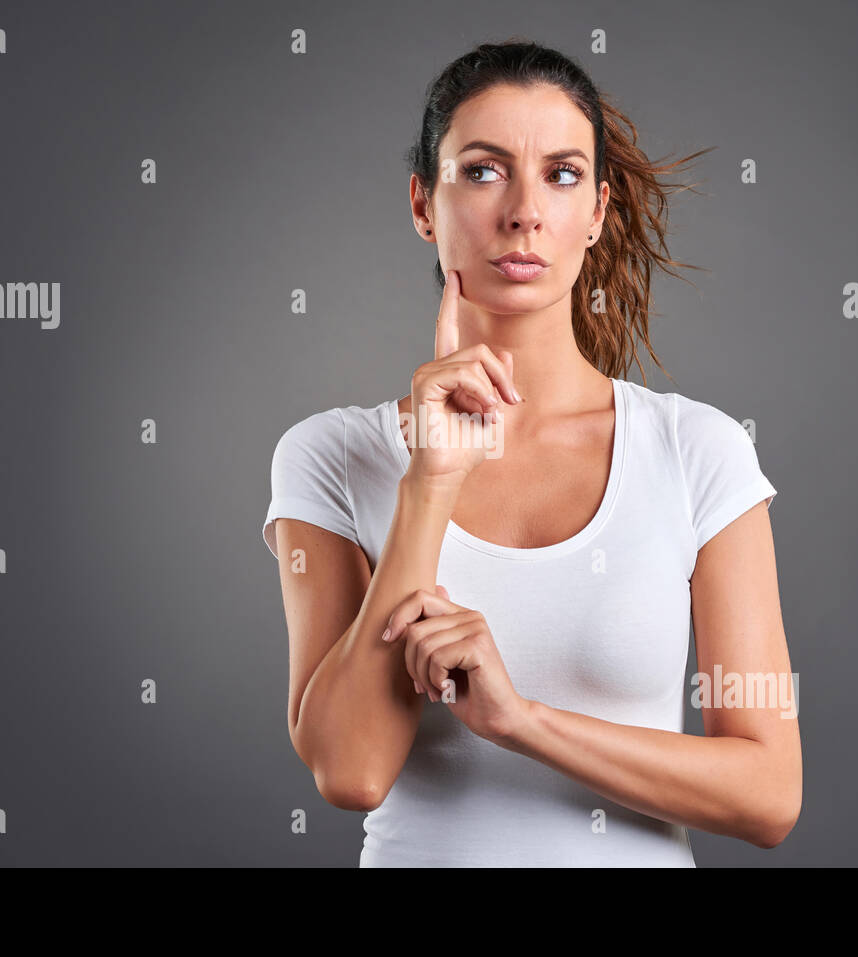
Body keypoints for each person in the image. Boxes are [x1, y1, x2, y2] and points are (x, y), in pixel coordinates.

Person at [261, 39, 801, 866]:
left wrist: (522, 720)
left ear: (597, 210)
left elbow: (769, 794)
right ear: (422, 204)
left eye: (561, 173)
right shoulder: (330, 457)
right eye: (481, 171)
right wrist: (431, 483)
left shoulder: (699, 452)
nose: (523, 211)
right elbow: (351, 771)